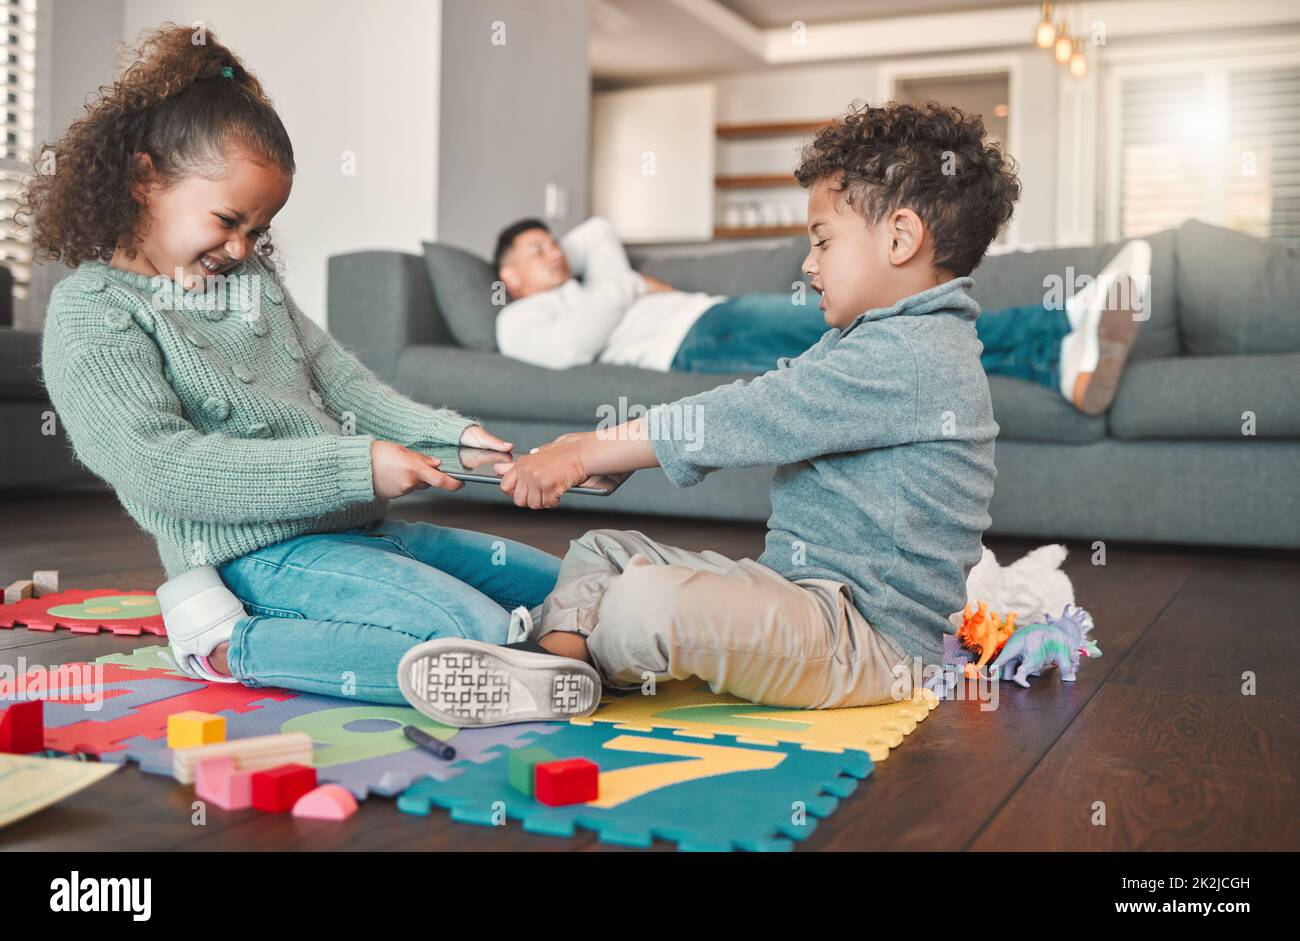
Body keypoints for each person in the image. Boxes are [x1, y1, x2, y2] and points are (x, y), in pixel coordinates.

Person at [394, 100, 1025, 725]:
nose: (808, 264)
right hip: (802, 598)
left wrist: (589, 450)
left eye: (823, 241)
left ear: (901, 238)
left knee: (642, 601)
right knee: (604, 549)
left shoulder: (914, 355)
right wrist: (621, 456)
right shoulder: (871, 339)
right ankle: (556, 668)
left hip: (869, 642)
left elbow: (750, 414)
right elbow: (764, 410)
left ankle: (579, 653)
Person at [29, 24, 597, 710]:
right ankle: (228, 649)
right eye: (228, 220)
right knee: (470, 631)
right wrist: (356, 466)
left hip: (356, 528)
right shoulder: (94, 310)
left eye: (257, 230)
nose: (243, 249)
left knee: (567, 586)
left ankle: (548, 657)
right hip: (253, 559)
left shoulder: (251, 284)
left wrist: (456, 443)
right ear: (147, 179)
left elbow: (345, 386)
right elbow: (163, 468)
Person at [494, 216, 1149, 416]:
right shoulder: (519, 319)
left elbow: (603, 258)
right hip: (697, 340)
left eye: (553, 241)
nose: (553, 250)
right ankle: (1058, 332)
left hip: (713, 316)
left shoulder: (584, 282)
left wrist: (609, 275)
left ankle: (1058, 349)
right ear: (508, 277)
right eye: (534, 250)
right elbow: (577, 344)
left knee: (884, 333)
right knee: (882, 331)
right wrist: (610, 269)